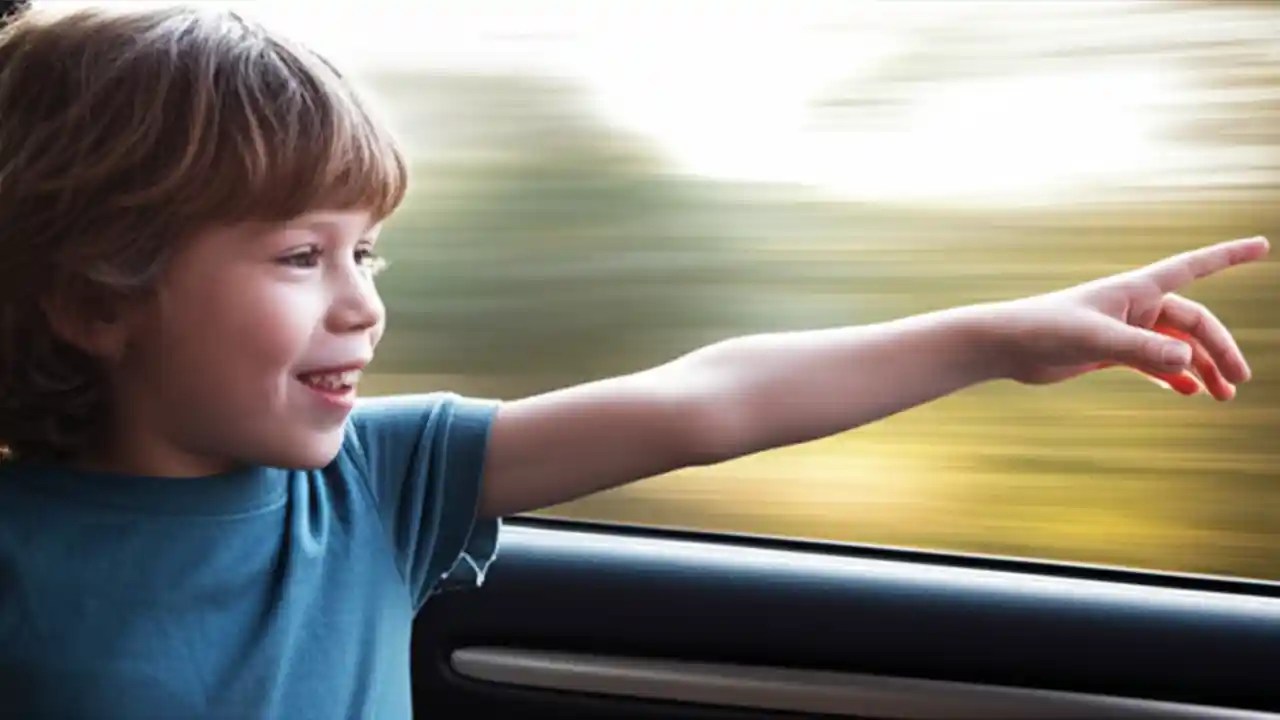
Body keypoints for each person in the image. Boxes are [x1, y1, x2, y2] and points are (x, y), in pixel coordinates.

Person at [0, 3, 1269, 719]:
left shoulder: (378, 486)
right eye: (298, 258)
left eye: (369, 254)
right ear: (97, 302)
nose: (361, 307)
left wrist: (994, 337)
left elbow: (709, 399)